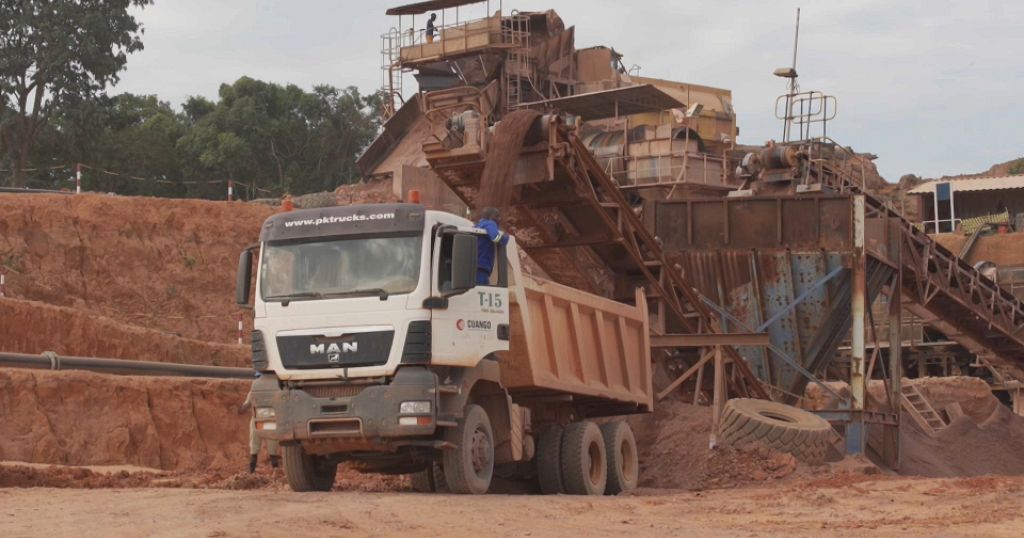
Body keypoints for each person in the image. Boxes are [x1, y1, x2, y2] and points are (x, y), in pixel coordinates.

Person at [239, 378, 279, 473]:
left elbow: (246, 405)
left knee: (254, 448)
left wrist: (238, 409)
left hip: (257, 420)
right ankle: (276, 472)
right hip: (271, 420)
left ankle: (251, 472)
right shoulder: (276, 388)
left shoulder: (254, 390)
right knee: (272, 449)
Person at [476, 207, 510, 285]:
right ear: (491, 217)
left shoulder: (478, 225)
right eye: (497, 216)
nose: (500, 219)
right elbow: (495, 237)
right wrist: (505, 238)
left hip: (474, 265)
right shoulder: (490, 223)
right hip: (482, 265)